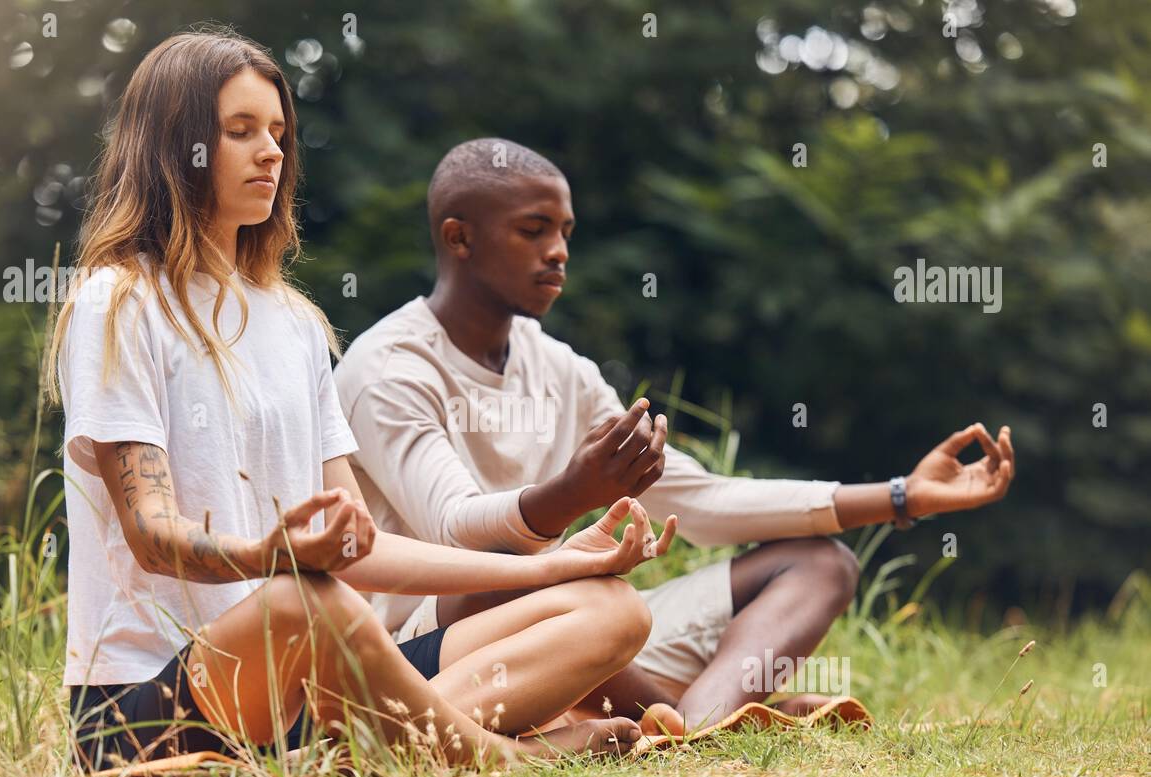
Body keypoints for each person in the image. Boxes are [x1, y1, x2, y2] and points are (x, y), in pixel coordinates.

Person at [43, 34, 679, 772]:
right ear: (173, 147)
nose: (272, 153)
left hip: (307, 692)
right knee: (303, 603)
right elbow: (151, 533)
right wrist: (267, 556)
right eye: (240, 130)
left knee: (612, 609)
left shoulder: (294, 322)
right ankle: (508, 758)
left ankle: (361, 754)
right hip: (150, 705)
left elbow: (361, 553)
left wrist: (556, 565)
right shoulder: (119, 303)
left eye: (279, 133)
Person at [333, 137, 1016, 734]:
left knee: (819, 563)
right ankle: (685, 717)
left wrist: (901, 497)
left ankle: (691, 725)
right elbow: (455, 530)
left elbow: (704, 503)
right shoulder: (388, 367)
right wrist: (571, 495)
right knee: (534, 575)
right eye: (534, 230)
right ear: (460, 238)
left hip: (587, 626)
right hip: (441, 648)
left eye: (566, 230)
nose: (560, 251)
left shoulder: (557, 366)